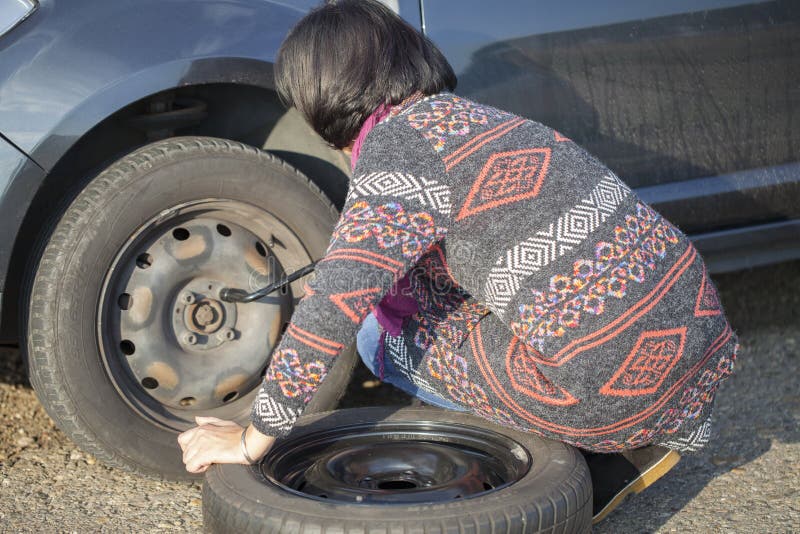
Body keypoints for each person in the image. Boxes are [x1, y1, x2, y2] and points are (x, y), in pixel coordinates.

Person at [178, 0, 738, 522]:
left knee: (379, 338)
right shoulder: (483, 121)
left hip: (610, 385)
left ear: (321, 91)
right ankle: (636, 435)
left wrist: (251, 438)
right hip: (698, 349)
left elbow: (332, 311)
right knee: (427, 302)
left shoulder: (398, 150)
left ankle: (582, 449)